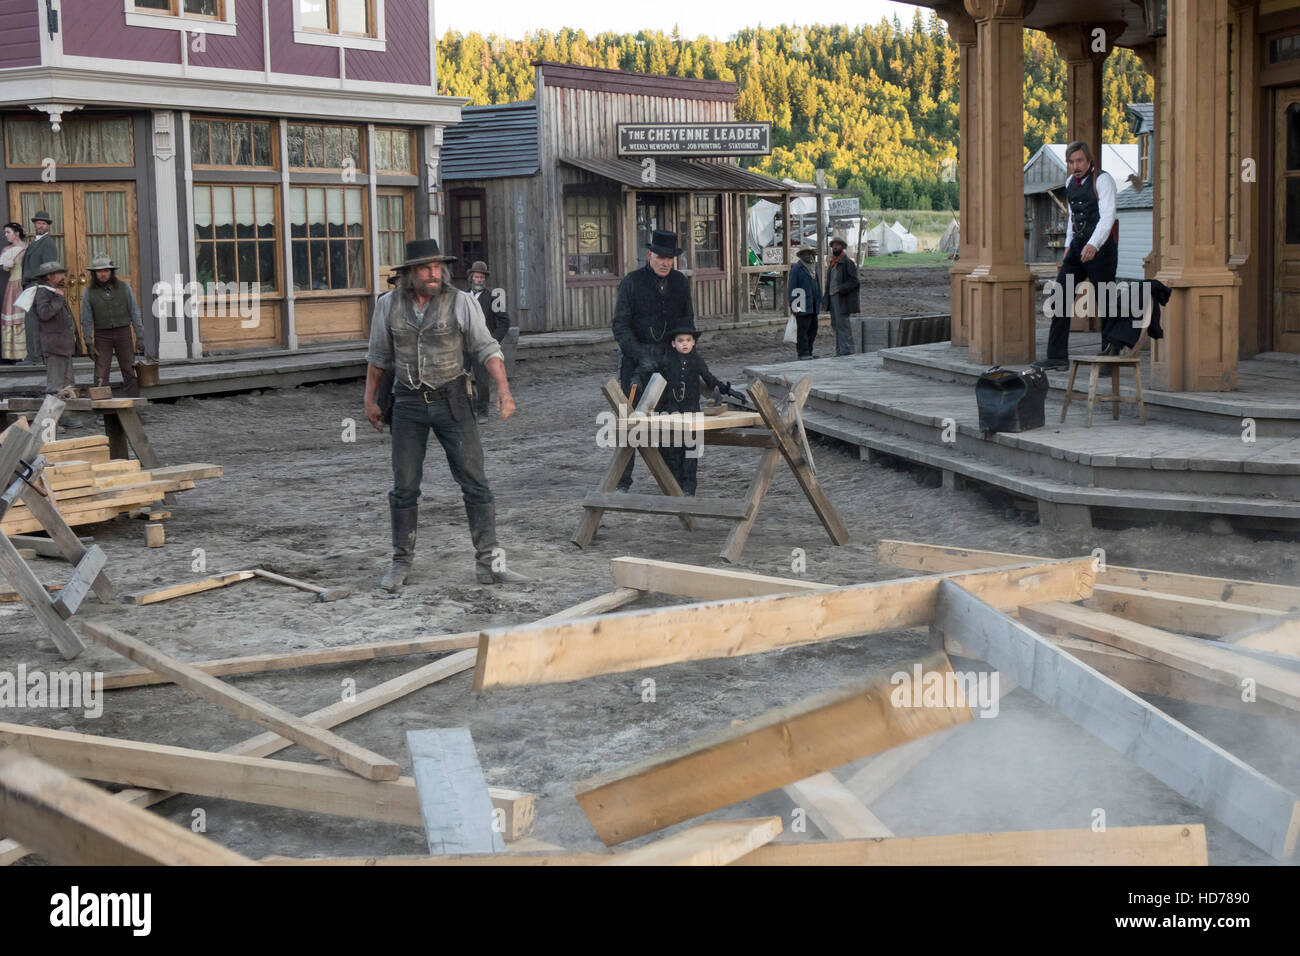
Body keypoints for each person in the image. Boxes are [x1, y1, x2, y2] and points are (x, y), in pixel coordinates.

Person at [363, 238, 528, 591]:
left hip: (453, 400)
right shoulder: (387, 306)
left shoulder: (462, 302)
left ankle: (489, 564)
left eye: (438, 267)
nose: (434, 273)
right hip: (406, 402)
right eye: (425, 268)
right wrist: (370, 401)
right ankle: (400, 563)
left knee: (476, 482)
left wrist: (503, 389)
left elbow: (487, 347)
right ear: (409, 274)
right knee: (404, 487)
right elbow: (378, 357)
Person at [611, 228, 693, 491]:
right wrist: (640, 354)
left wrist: (678, 357)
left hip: (668, 361)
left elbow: (687, 324)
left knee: (673, 422)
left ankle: (673, 482)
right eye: (660, 256)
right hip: (636, 362)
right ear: (649, 255)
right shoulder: (632, 282)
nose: (665, 262)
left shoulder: (680, 283)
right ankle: (621, 482)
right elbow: (620, 326)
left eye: (669, 258)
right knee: (630, 422)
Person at [1035, 140, 1121, 370]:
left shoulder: (1103, 180)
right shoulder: (1070, 183)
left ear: (1089, 160)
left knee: (1106, 300)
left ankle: (1110, 359)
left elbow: (1108, 217)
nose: (1076, 165)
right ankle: (1056, 357)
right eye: (1071, 161)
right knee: (1061, 296)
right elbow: (1073, 218)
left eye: (1080, 160)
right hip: (1077, 248)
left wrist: (1093, 244)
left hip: (1101, 249)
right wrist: (1068, 245)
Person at [655, 321, 739, 496]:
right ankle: (675, 486)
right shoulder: (666, 361)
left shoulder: (696, 360)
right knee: (672, 450)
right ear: (673, 343)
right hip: (671, 410)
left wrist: (726, 389)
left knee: (691, 450)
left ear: (693, 343)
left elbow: (709, 379)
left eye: (688, 340)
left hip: (691, 409)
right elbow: (655, 382)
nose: (684, 343)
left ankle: (689, 488)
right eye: (680, 340)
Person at [79, 255, 146, 397]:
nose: (103, 274)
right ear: (94, 274)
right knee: (101, 373)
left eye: (106, 270)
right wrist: (88, 342)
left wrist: (140, 335)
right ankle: (101, 403)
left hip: (123, 333)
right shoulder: (88, 293)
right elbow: (86, 318)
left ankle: (133, 402)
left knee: (129, 369)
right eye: (99, 271)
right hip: (102, 336)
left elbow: (134, 311)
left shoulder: (124, 287)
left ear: (111, 272)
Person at [465, 260, 510, 424]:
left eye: (481, 277)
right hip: (463, 345)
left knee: (482, 380)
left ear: (485, 279)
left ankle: (483, 411)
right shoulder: (462, 297)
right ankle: (471, 407)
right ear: (471, 278)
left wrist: (492, 340)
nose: (478, 280)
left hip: (482, 346)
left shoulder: (493, 298)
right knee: (461, 378)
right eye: (476, 277)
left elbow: (504, 322)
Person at [30, 261, 77, 395]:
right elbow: (44, 314)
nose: (63, 276)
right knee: (56, 388)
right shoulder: (43, 292)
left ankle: (68, 415)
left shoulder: (53, 292)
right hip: (54, 346)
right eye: (60, 273)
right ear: (50, 276)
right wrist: (58, 298)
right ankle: (51, 415)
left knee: (68, 388)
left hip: (62, 346)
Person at [20, 210, 59, 365]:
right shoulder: (34, 242)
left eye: (43, 223)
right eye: (38, 223)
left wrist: (44, 288)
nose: (40, 225)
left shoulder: (48, 244)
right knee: (31, 322)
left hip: (38, 286)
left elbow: (49, 269)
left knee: (34, 322)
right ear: (34, 224)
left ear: (47, 226)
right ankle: (34, 355)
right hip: (30, 286)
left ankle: (36, 356)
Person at [823, 235, 860, 356]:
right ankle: (839, 351)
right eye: (834, 245)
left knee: (842, 326)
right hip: (833, 298)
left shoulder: (847, 262)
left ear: (842, 247)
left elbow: (854, 281)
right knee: (835, 325)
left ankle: (845, 352)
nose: (835, 247)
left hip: (842, 299)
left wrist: (840, 289)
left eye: (838, 245)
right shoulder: (833, 262)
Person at [787, 245, 821, 359]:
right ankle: (803, 353)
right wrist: (794, 306)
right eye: (804, 254)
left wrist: (820, 300)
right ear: (801, 256)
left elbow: (818, 285)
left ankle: (809, 352)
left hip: (813, 305)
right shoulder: (796, 269)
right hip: (802, 304)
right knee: (802, 331)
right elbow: (792, 288)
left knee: (813, 329)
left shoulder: (813, 268)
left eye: (808, 253)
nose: (807, 255)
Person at [0, 222, 27, 363]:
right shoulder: (6, 249)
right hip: (13, 285)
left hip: (25, 284)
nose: (6, 235)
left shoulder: (28, 248)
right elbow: (5, 269)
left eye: (8, 232)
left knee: (25, 318)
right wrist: (6, 265)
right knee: (13, 317)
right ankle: (15, 354)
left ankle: (28, 352)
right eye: (5, 232)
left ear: (17, 233)